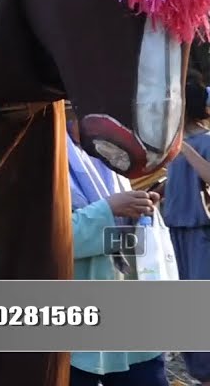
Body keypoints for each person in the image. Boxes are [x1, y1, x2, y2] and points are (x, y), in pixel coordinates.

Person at [66, 108, 168, 386]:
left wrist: (140, 211)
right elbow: (54, 239)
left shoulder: (113, 161)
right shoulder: (50, 163)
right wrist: (110, 210)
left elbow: (115, 237)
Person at [164, 78, 210, 386]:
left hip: (194, 235)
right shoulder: (174, 147)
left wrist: (182, 148)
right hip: (186, 234)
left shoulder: (197, 143)